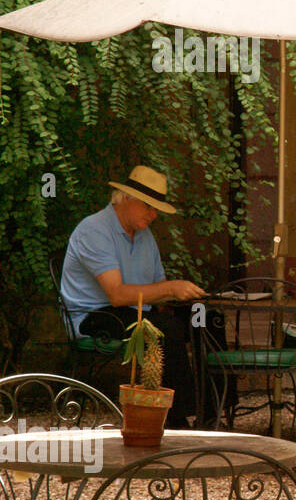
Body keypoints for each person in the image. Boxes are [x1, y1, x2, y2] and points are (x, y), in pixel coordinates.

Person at [60, 166, 206, 427]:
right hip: (94, 316)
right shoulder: (94, 230)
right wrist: (172, 288)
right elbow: (117, 295)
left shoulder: (144, 234)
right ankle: (176, 419)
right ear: (125, 199)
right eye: (148, 207)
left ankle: (211, 411)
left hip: (133, 310)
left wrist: (187, 298)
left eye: (156, 209)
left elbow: (157, 286)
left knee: (206, 320)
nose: (153, 214)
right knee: (165, 329)